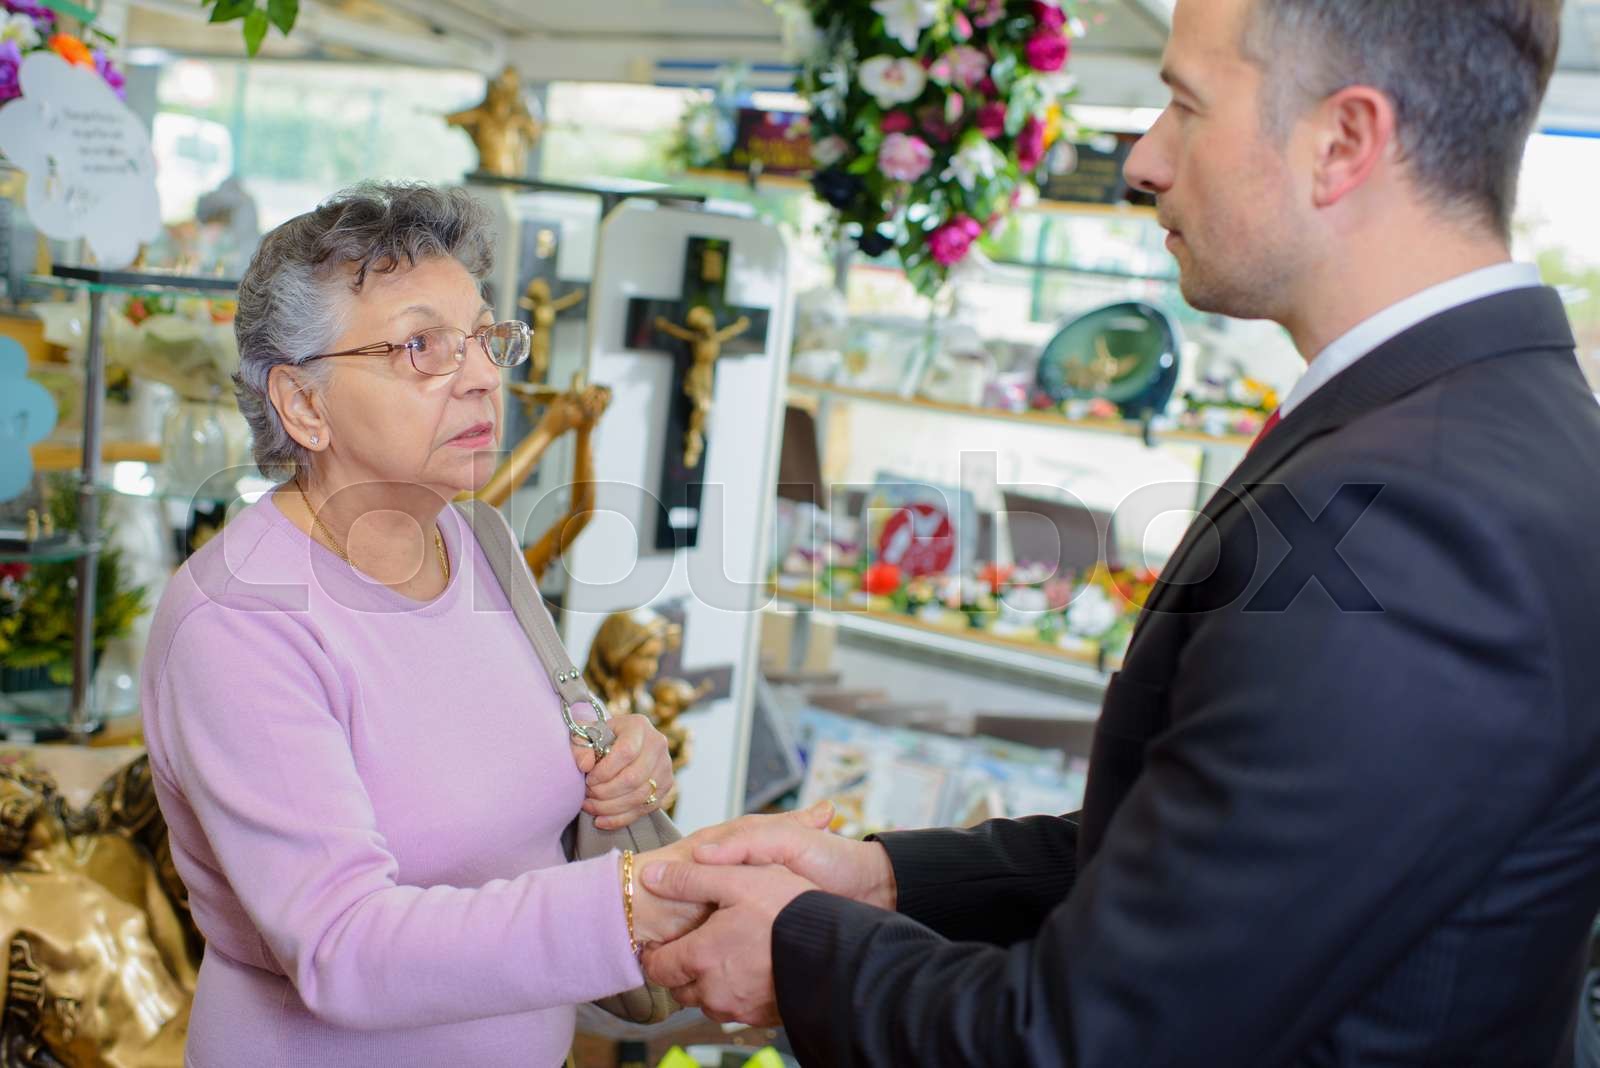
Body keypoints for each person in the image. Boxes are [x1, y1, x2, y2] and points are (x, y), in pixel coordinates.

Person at [639, 2, 1600, 1065]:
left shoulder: (1407, 510)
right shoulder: (1486, 422)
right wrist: (885, 879)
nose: (1143, 160)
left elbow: (1090, 1041)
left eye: (1185, 104)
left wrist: (799, 952)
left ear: (1341, 143)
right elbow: (1231, 870)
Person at [140, 182, 700, 1067]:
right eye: (420, 347)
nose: (482, 374)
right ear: (304, 405)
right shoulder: (238, 620)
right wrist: (627, 904)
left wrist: (623, 752)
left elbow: (500, 767)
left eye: (483, 337)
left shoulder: (474, 537)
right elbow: (342, 948)